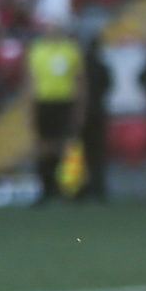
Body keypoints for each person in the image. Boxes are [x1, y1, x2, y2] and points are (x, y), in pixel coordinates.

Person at [26, 10, 85, 204]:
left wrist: (79, 107)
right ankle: (46, 188)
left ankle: (69, 189)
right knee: (45, 147)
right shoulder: (37, 51)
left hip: (65, 102)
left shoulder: (71, 50)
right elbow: (31, 82)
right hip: (44, 102)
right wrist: (30, 110)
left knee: (67, 147)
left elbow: (79, 81)